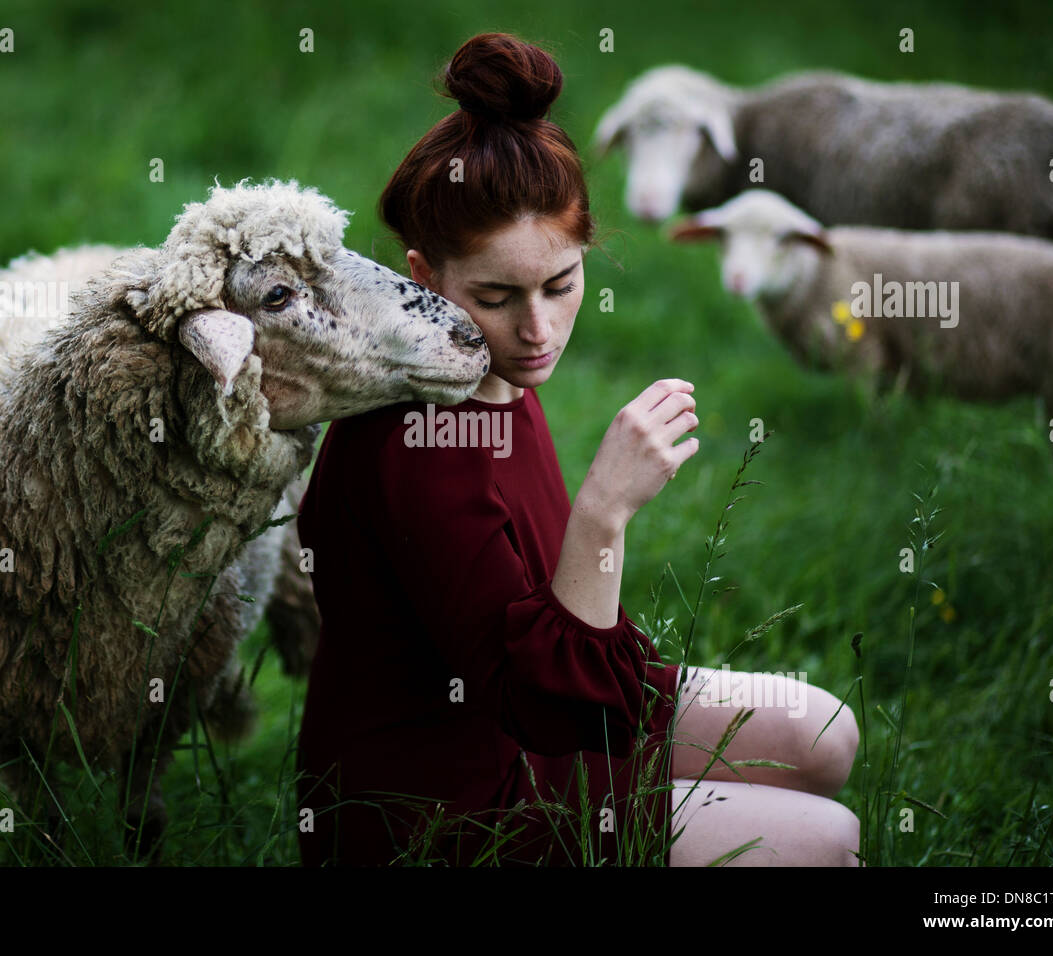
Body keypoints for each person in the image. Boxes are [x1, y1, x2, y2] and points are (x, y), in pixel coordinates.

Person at [295, 32, 861, 866]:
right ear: (424, 278)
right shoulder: (417, 436)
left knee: (824, 734)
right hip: (444, 801)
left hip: (542, 710)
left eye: (560, 285)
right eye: (495, 296)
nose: (538, 329)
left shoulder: (493, 379)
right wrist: (603, 513)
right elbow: (546, 704)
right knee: (827, 841)